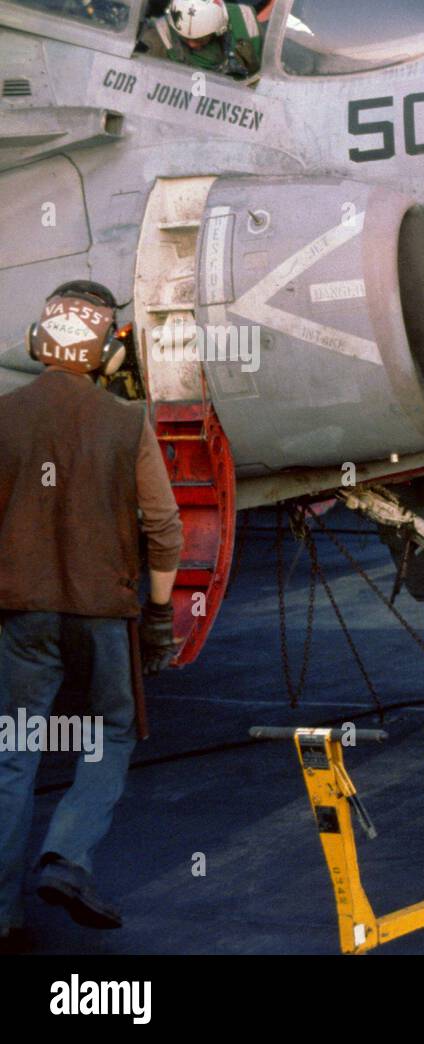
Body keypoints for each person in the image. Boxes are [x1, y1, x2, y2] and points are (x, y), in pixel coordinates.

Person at [0, 282, 183, 950]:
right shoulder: (125, 421)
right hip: (104, 614)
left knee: (12, 757)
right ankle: (67, 858)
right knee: (109, 734)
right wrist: (159, 613)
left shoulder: (3, 415)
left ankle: (2, 919)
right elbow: (164, 528)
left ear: (36, 342)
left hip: (20, 616)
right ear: (107, 351)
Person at [140, 0, 264, 80]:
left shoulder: (245, 24)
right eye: (185, 38)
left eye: (200, 39)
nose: (192, 44)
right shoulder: (157, 38)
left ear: (220, 29)